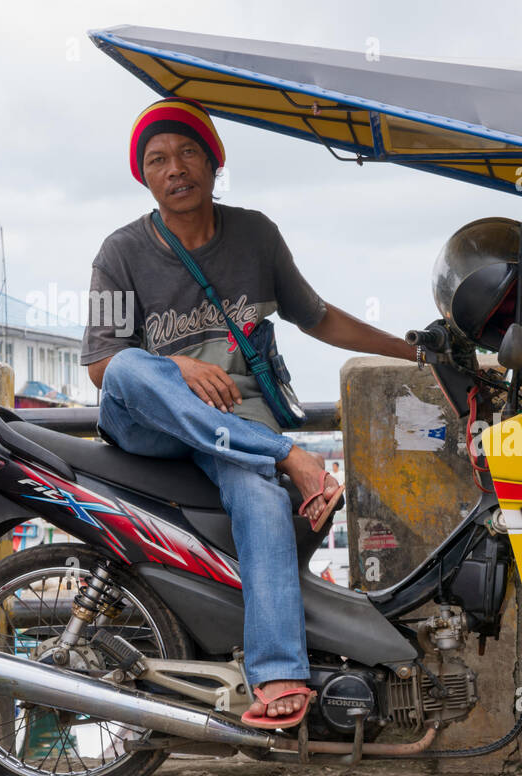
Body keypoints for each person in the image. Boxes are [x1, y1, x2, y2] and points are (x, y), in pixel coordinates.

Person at [80, 97, 415, 727]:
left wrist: (407, 350)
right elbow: (102, 364)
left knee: (261, 500)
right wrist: (179, 367)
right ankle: (290, 456)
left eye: (186, 153)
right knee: (130, 367)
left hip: (234, 432)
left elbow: (316, 316)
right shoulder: (121, 251)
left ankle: (279, 675)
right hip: (152, 421)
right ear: (143, 176)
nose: (174, 168)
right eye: (157, 160)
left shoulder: (255, 234)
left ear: (213, 162)